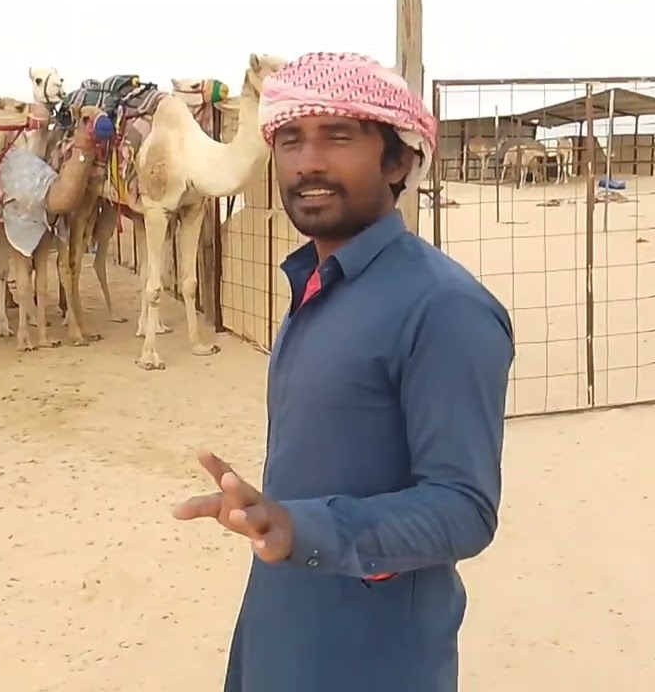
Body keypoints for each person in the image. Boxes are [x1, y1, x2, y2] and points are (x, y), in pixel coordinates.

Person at [172, 52, 515, 691]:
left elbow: (464, 508)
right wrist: (282, 532)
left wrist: (304, 528)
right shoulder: (313, 285)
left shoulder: (444, 308)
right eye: (291, 140)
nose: (308, 162)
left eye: (338, 136)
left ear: (398, 161)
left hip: (372, 659)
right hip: (279, 626)